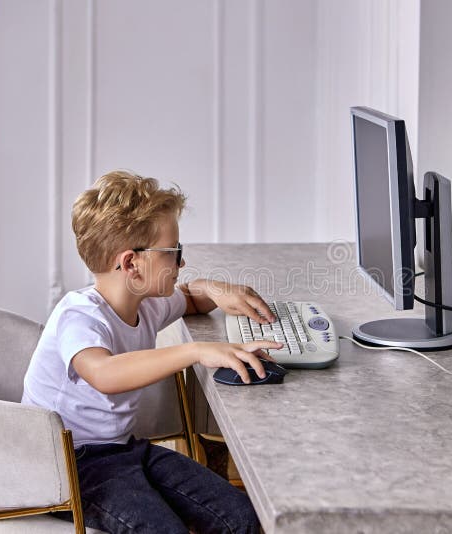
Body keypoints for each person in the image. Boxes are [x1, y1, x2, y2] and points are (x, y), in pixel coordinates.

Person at [22, 170, 281, 533]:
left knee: (242, 519)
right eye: (174, 252)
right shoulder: (78, 316)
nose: (181, 263)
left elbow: (190, 299)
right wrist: (195, 351)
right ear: (131, 263)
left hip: (124, 450)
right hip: (70, 467)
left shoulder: (144, 305)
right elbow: (105, 373)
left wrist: (214, 289)